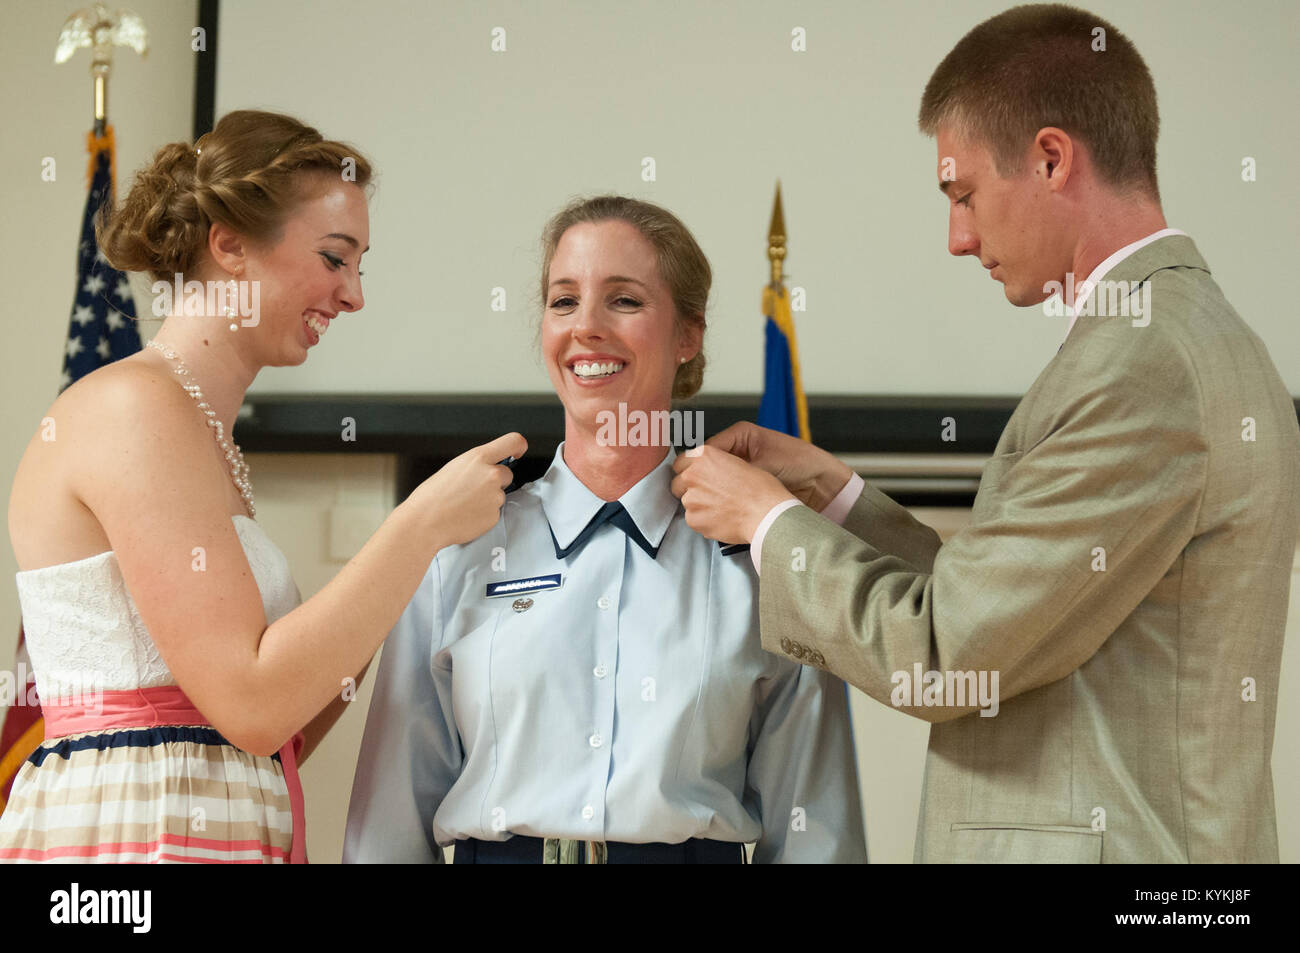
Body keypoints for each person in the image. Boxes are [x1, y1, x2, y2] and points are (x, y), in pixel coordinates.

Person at [671, 4, 1298, 863]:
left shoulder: (1139, 366)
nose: (959, 238)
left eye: (963, 194)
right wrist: (832, 495)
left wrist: (766, 524)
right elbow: (1016, 610)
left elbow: (945, 650)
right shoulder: (1184, 335)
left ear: (1050, 158)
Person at [0, 109, 524, 863]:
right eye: (334, 257)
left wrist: (418, 569)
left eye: (359, 267)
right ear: (229, 243)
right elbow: (250, 703)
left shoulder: (201, 430)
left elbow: (283, 732)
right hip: (132, 839)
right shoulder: (133, 406)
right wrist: (415, 526)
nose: (353, 296)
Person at [344, 195, 866, 864]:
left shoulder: (763, 558)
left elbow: (815, 832)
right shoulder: (459, 547)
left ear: (688, 334)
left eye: (623, 300)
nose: (586, 326)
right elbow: (389, 822)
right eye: (564, 302)